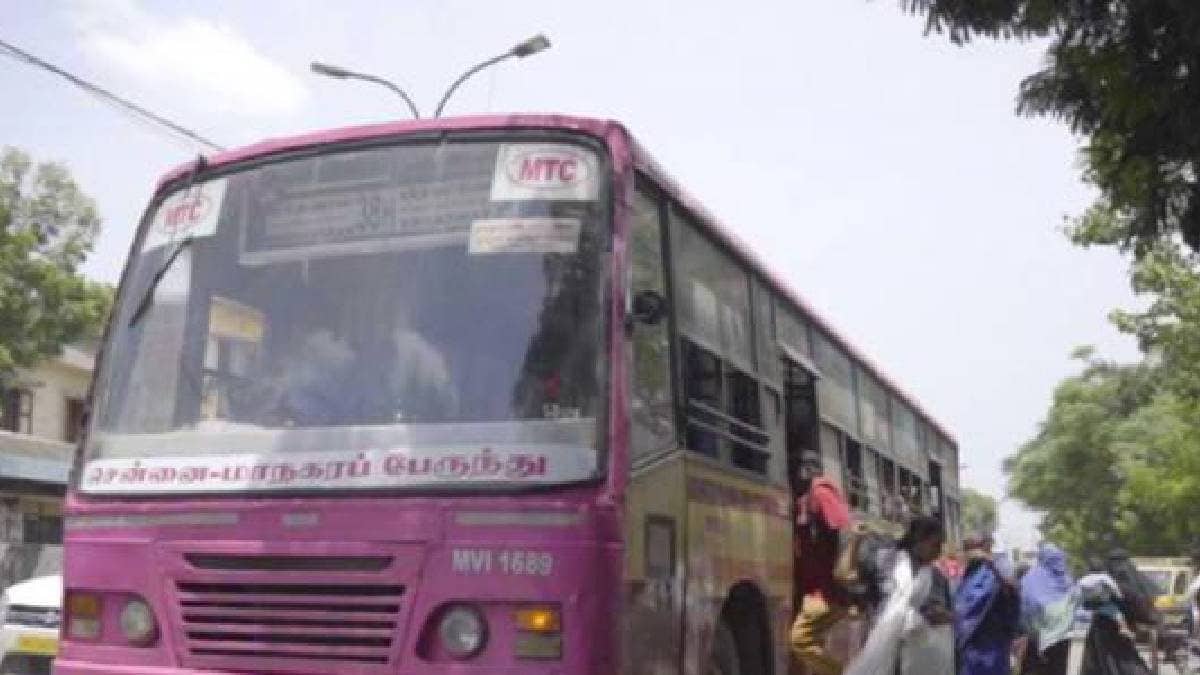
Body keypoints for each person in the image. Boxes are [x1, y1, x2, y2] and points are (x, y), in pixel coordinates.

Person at [845, 516, 955, 675]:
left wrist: (942, 616)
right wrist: (855, 541)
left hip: (916, 660)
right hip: (879, 654)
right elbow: (847, 577)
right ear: (918, 540)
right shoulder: (885, 561)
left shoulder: (936, 578)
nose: (939, 552)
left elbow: (942, 613)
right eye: (935, 545)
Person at [789, 452, 853, 675]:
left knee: (800, 639)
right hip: (813, 589)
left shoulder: (821, 493)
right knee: (815, 644)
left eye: (806, 467)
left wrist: (842, 573)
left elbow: (844, 528)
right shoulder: (804, 500)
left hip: (827, 591)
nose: (802, 473)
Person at [954, 533, 1022, 675]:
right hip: (969, 653)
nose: (969, 554)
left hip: (992, 651)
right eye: (966, 549)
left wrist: (992, 564)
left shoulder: (995, 573)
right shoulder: (965, 576)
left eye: (971, 548)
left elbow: (1012, 594)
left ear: (986, 547)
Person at [1077, 555, 1153, 675]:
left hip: (1101, 630)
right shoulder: (1132, 584)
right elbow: (1144, 610)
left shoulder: (1099, 582)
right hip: (1119, 631)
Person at [1019, 543, 1076, 675]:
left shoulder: (1030, 580)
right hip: (1062, 637)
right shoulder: (1067, 580)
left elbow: (1024, 609)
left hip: (1038, 637)